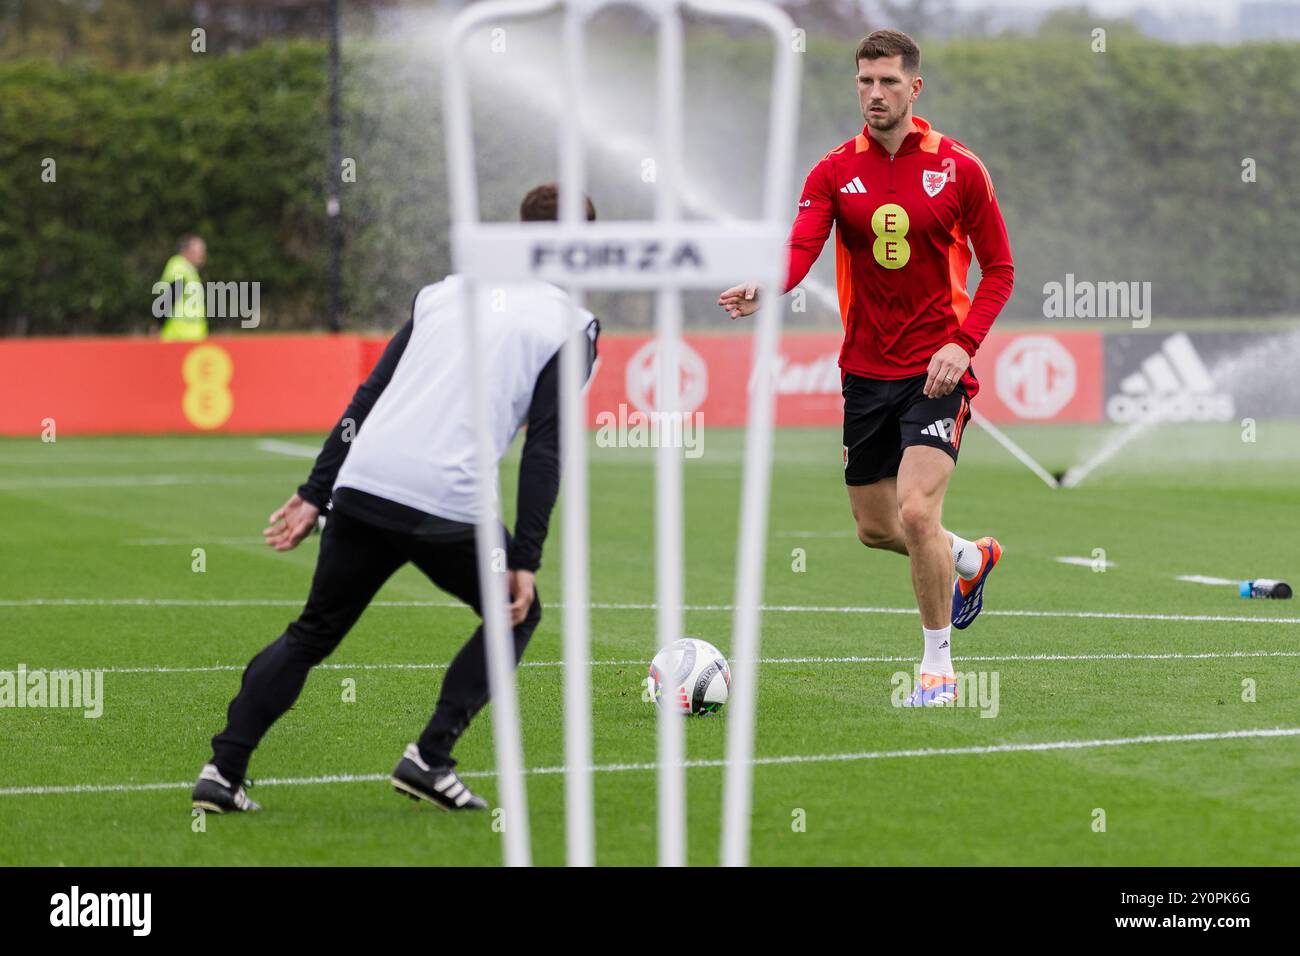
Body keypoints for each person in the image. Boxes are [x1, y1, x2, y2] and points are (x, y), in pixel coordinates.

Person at [191, 184, 600, 813]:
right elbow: (544, 448)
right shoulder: (572, 325)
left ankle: (222, 771)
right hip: (450, 504)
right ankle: (430, 759)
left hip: (366, 482)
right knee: (520, 613)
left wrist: (314, 493)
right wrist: (526, 556)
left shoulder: (445, 293)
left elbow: (369, 395)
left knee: (313, 632)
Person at [717, 30, 1014, 707]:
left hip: (938, 373)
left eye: (887, 82)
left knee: (915, 513)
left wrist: (963, 344)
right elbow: (800, 248)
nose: (874, 94)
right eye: (864, 82)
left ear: (915, 88)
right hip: (865, 372)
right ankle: (971, 557)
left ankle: (937, 672)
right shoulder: (831, 171)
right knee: (876, 528)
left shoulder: (959, 168)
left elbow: (1001, 268)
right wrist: (769, 284)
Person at [158, 234, 208, 341]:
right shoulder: (179, 267)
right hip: (178, 336)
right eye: (198, 251)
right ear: (185, 251)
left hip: (191, 336)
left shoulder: (189, 270)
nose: (202, 255)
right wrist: (159, 324)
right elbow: (168, 298)